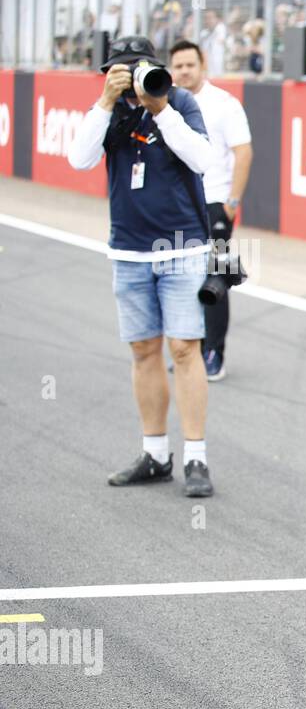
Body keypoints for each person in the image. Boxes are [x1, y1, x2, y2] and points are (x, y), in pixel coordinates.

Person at [66, 36, 216, 498]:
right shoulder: (109, 110)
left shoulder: (181, 100)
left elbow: (203, 159)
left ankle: (195, 458)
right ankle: (155, 454)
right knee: (143, 352)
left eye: (137, 68)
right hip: (129, 250)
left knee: (185, 350)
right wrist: (105, 102)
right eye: (121, 70)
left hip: (182, 246)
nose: (131, 78)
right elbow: (79, 158)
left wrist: (161, 108)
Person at [169, 40, 253, 383]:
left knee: (215, 276)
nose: (185, 71)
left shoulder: (223, 104)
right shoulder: (166, 102)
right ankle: (192, 347)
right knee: (182, 279)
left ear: (202, 64)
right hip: (178, 206)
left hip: (215, 201)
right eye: (179, 66)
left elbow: (243, 152)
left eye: (190, 64)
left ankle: (214, 352)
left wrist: (233, 201)